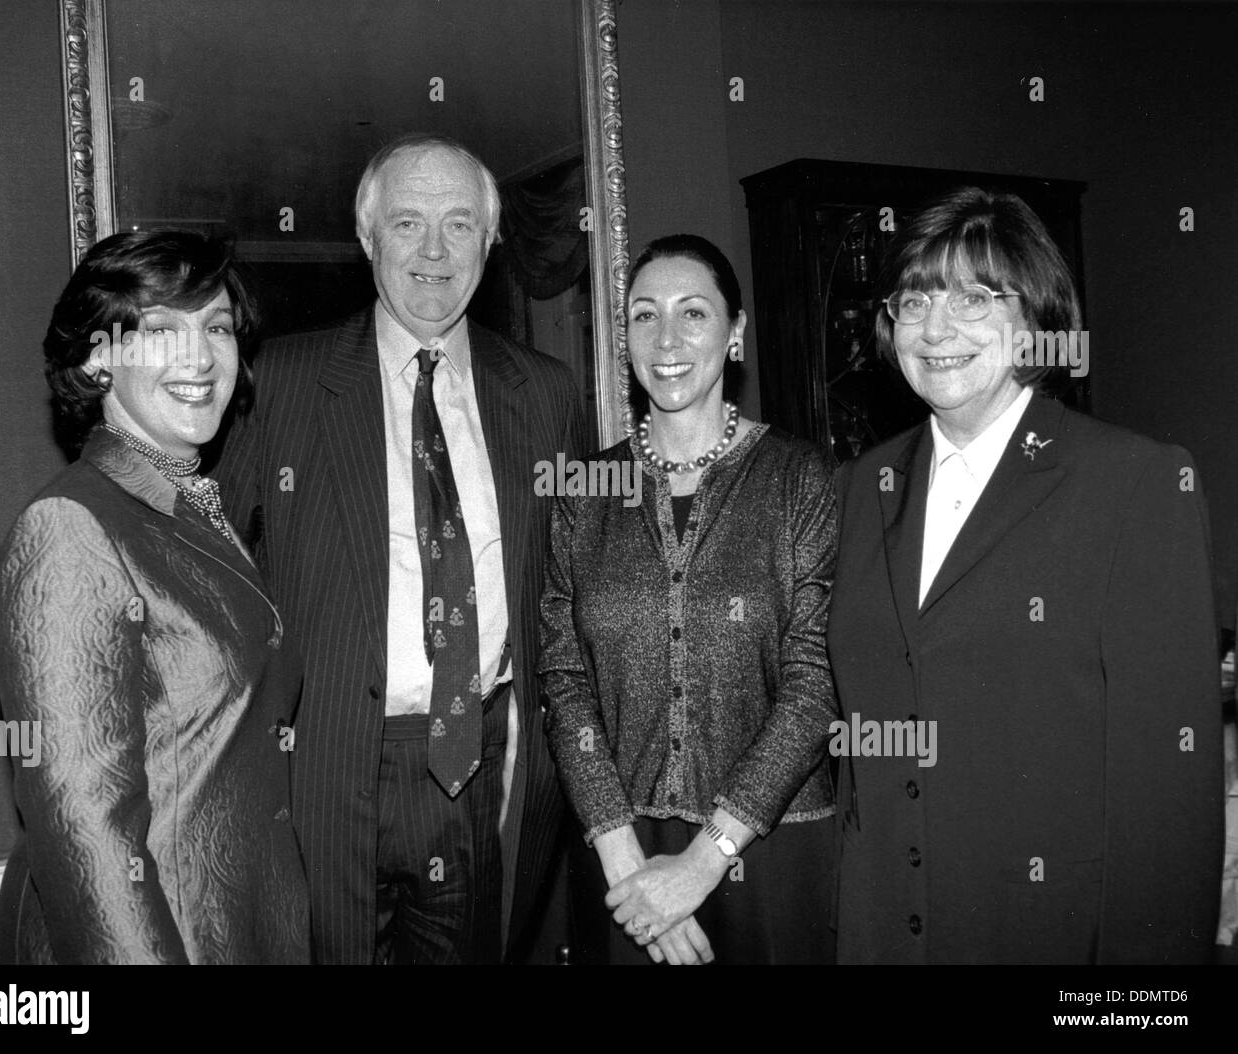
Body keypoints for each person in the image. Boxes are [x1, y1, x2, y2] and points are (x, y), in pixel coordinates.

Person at [215, 134, 587, 964]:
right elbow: (213, 573)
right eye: (408, 223)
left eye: (460, 226)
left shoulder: (547, 393)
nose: (433, 251)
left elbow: (568, 592)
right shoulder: (278, 380)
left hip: (481, 766)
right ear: (366, 236)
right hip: (320, 769)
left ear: (491, 245)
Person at [828, 187, 1224, 963]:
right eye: (914, 302)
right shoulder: (860, 487)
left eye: (974, 298)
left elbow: (1169, 800)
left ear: (1036, 320)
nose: (936, 329)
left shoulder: (1135, 484)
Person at [0, 230, 310, 964]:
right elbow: (85, 833)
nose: (199, 358)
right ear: (99, 356)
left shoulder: (194, 507)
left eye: (217, 328)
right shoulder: (69, 527)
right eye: (161, 329)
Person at [538, 234, 838, 964]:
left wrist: (703, 864)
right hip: (618, 849)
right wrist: (626, 862)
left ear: (735, 335)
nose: (666, 339)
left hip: (769, 849)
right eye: (644, 316)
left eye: (693, 313)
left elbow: (814, 685)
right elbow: (564, 678)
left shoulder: (802, 479)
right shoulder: (583, 488)